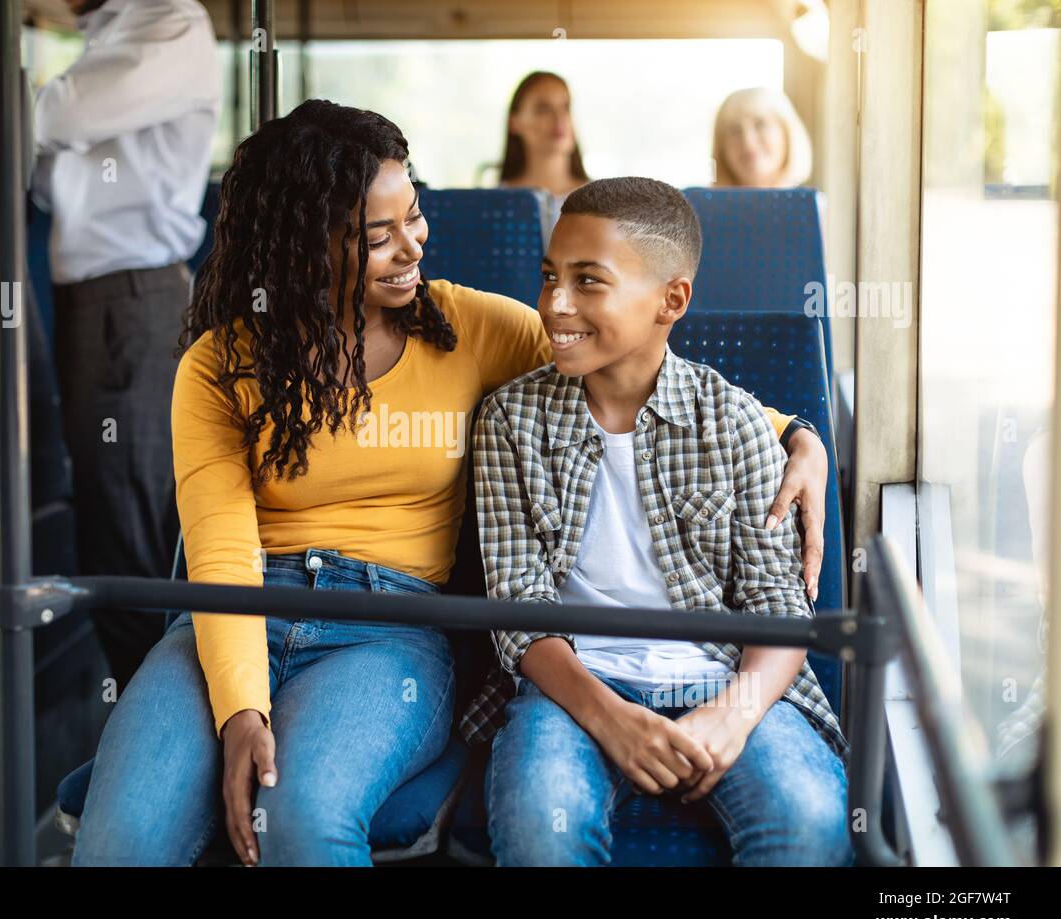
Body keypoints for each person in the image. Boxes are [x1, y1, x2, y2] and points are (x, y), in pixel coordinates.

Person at [70, 100, 834, 867]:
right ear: (305, 247)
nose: (412, 246)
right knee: (120, 844)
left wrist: (796, 435)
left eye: (415, 216)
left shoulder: (470, 330)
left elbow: (627, 363)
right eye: (379, 235)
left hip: (386, 626)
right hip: (236, 611)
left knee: (301, 820)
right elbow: (221, 552)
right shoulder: (217, 364)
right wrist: (241, 710)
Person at [468, 177, 851, 866]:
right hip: (573, 685)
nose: (555, 305)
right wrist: (611, 720)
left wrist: (731, 718)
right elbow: (519, 611)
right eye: (550, 277)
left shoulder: (732, 420)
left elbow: (780, 609)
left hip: (721, 675)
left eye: (589, 282)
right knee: (540, 829)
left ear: (670, 300)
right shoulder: (508, 421)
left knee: (807, 825)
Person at [0, 0, 223, 691]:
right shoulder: (105, 35)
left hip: (132, 304)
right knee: (111, 523)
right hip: (97, 303)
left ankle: (154, 739)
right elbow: (61, 178)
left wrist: (13, 102)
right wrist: (13, 128)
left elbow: (64, 115)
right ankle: (149, 732)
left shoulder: (169, 21)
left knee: (132, 533)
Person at [497, 71, 590, 243]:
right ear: (514, 122)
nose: (559, 118)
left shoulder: (600, 202)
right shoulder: (493, 205)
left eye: (566, 107)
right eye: (544, 109)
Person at [711, 87, 813, 188]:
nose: (748, 141)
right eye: (734, 130)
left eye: (760, 124)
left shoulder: (813, 203)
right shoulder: (699, 203)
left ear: (786, 132)